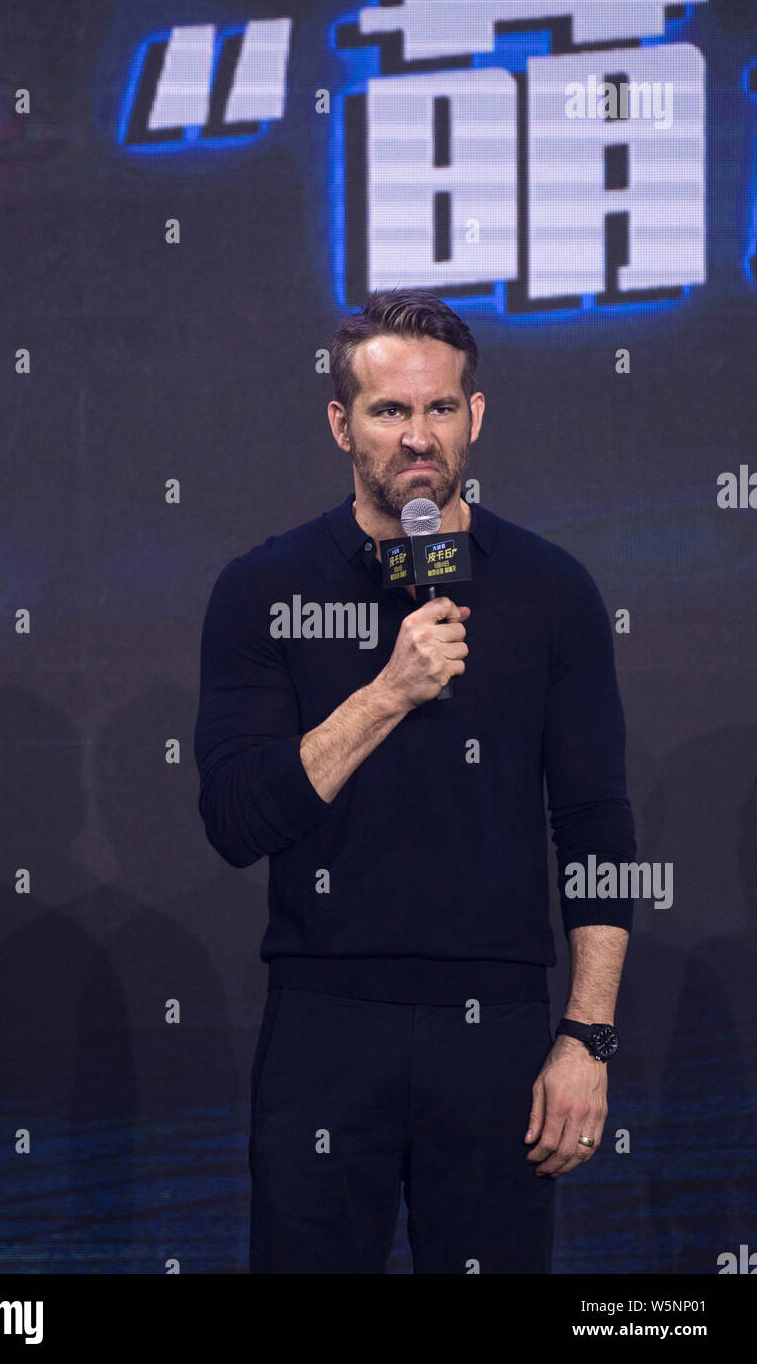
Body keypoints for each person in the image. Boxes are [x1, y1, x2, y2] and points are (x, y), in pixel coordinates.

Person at [194, 288, 636, 1274]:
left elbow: (597, 823)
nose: (417, 437)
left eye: (439, 408)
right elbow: (234, 815)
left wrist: (587, 1037)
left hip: (500, 1035)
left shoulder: (550, 589)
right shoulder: (264, 588)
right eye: (390, 411)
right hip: (324, 1026)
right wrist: (387, 692)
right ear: (341, 423)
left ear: (474, 417)